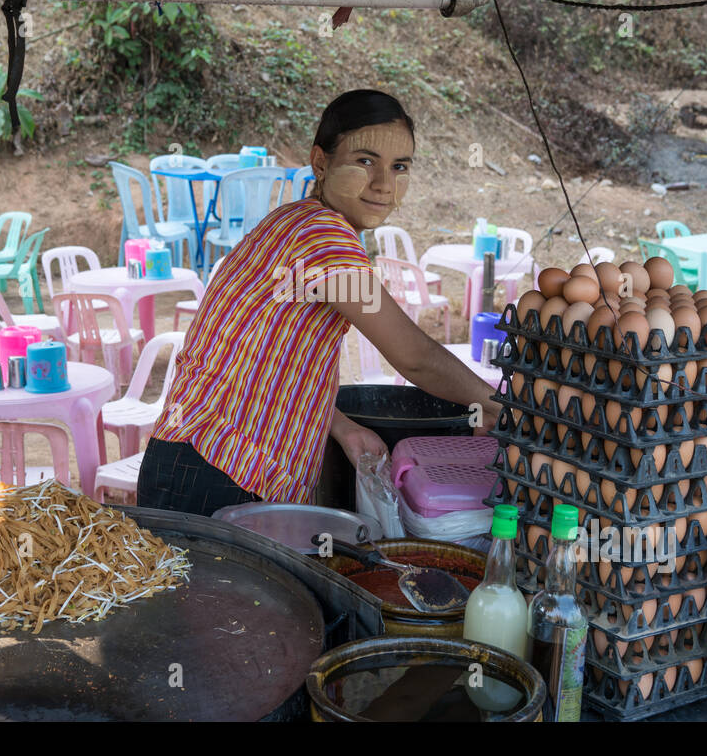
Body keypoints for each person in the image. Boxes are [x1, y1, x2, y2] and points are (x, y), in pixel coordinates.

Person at [136, 89, 503, 515]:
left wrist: (342, 427)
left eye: (399, 167)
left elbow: (268, 357)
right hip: (212, 474)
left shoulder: (294, 221)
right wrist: (500, 403)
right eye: (365, 161)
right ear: (321, 162)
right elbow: (413, 356)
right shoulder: (323, 236)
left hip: (197, 463)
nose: (384, 184)